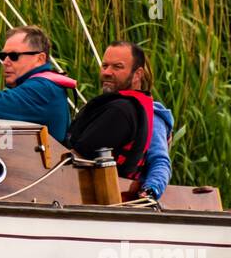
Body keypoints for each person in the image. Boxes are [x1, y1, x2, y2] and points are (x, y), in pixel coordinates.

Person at [66, 40, 174, 199]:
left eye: (117, 67)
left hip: (108, 192)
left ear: (138, 74)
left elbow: (160, 160)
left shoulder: (138, 113)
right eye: (105, 66)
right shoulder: (114, 106)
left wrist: (151, 190)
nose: (107, 72)